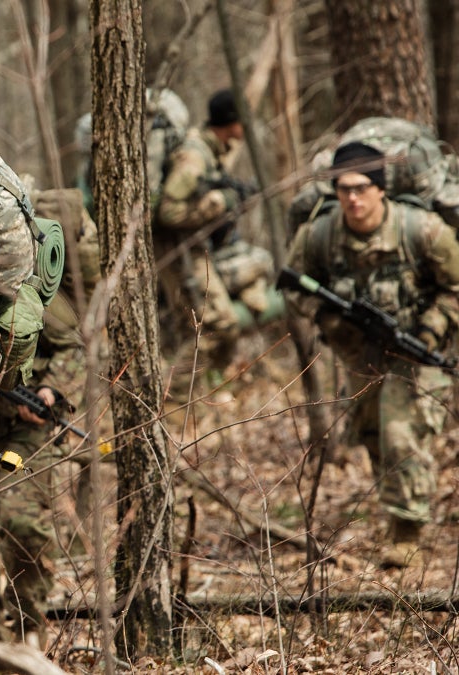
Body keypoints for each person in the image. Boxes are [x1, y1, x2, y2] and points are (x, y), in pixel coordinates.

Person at [285, 141, 459, 568]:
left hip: (416, 351)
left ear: (381, 189)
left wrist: (429, 329)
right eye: (344, 189)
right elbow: (293, 288)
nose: (353, 198)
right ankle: (396, 510)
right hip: (359, 352)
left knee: (402, 434)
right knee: (371, 434)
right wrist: (331, 321)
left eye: (362, 188)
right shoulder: (320, 235)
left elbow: (456, 288)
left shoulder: (421, 230)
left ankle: (407, 532)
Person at [0, 188, 103, 648]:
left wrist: (49, 391)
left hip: (26, 429)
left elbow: (74, 349)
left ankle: (28, 633)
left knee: (23, 524)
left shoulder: (34, 292)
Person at [154, 88, 273, 385]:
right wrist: (220, 202)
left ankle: (200, 390)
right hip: (179, 251)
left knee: (213, 326)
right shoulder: (195, 156)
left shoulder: (211, 152)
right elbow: (168, 212)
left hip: (195, 248)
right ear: (231, 121)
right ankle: (174, 397)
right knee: (215, 326)